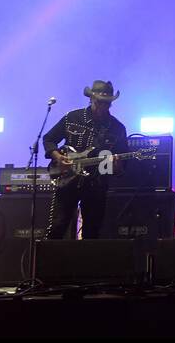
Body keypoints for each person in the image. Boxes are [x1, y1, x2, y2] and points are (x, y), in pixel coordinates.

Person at [42, 79, 129, 240]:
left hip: (96, 184)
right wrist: (58, 157)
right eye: (100, 102)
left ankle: (86, 264)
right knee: (58, 226)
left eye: (107, 103)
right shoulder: (72, 117)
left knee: (92, 231)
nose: (103, 106)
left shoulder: (117, 128)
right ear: (91, 99)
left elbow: (121, 166)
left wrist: (116, 166)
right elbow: (49, 139)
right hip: (68, 180)